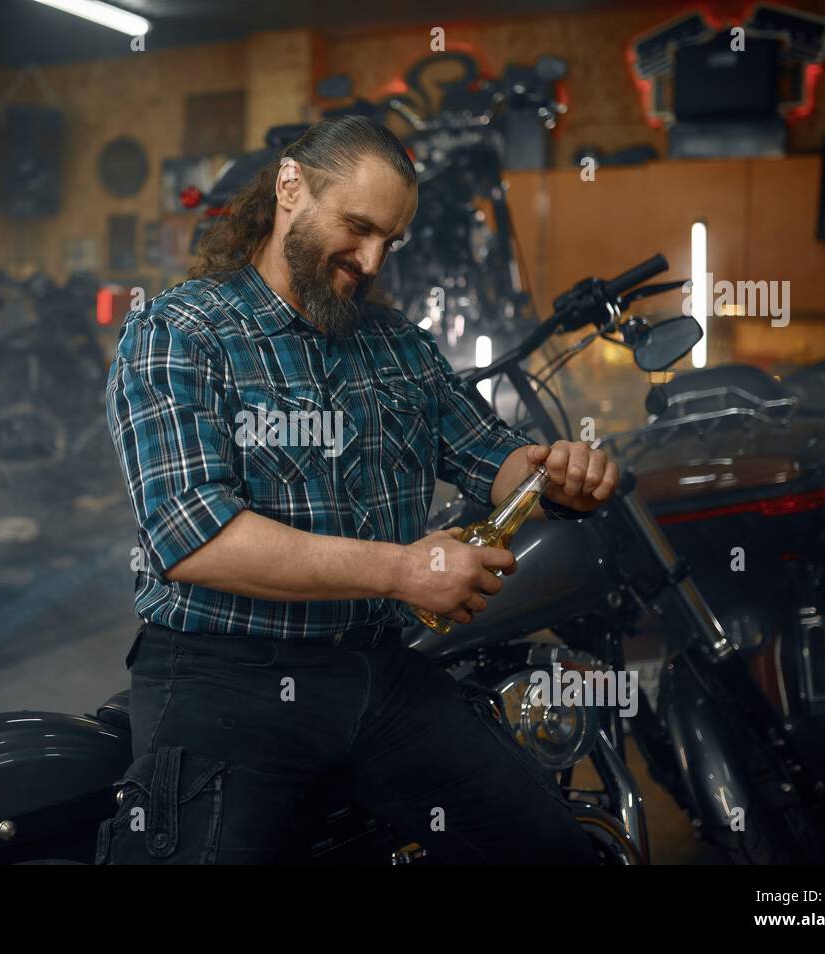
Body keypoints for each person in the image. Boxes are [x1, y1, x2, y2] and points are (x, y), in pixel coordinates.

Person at [100, 115, 618, 864]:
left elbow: (488, 455)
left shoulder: (398, 347)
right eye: (358, 227)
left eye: (391, 241)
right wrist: (405, 570)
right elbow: (193, 535)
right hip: (221, 677)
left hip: (374, 668)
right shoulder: (180, 334)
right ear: (290, 186)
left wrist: (555, 472)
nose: (373, 259)